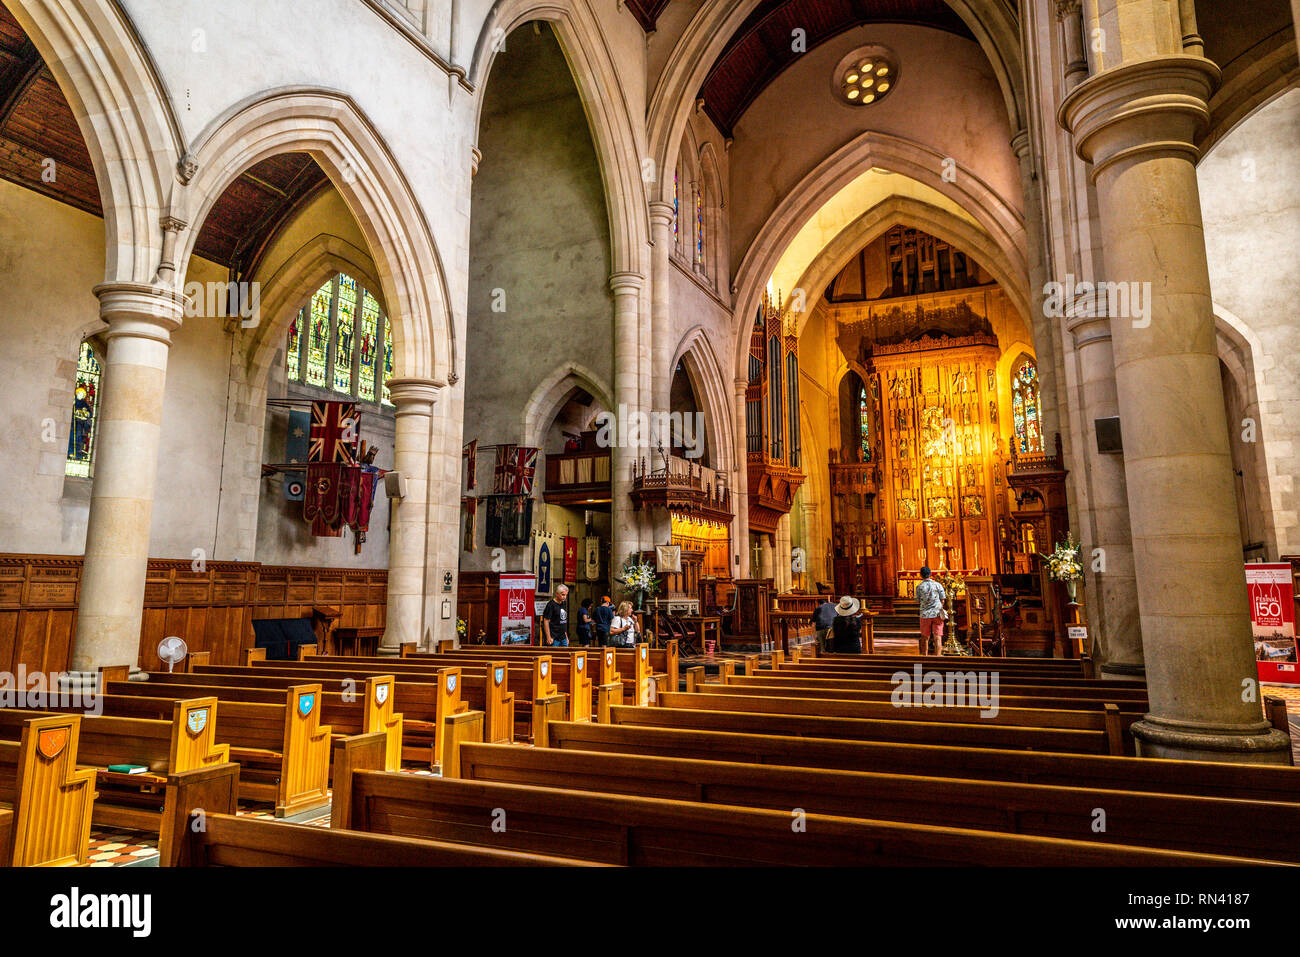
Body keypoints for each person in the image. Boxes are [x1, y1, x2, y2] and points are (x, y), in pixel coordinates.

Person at [915, 566, 947, 655]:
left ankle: (925, 658)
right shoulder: (938, 585)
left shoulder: (919, 587)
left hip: (925, 615)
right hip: (937, 614)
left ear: (921, 575)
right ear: (930, 574)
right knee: (938, 637)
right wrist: (938, 607)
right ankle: (938, 658)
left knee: (925, 637)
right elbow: (943, 599)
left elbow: (918, 600)